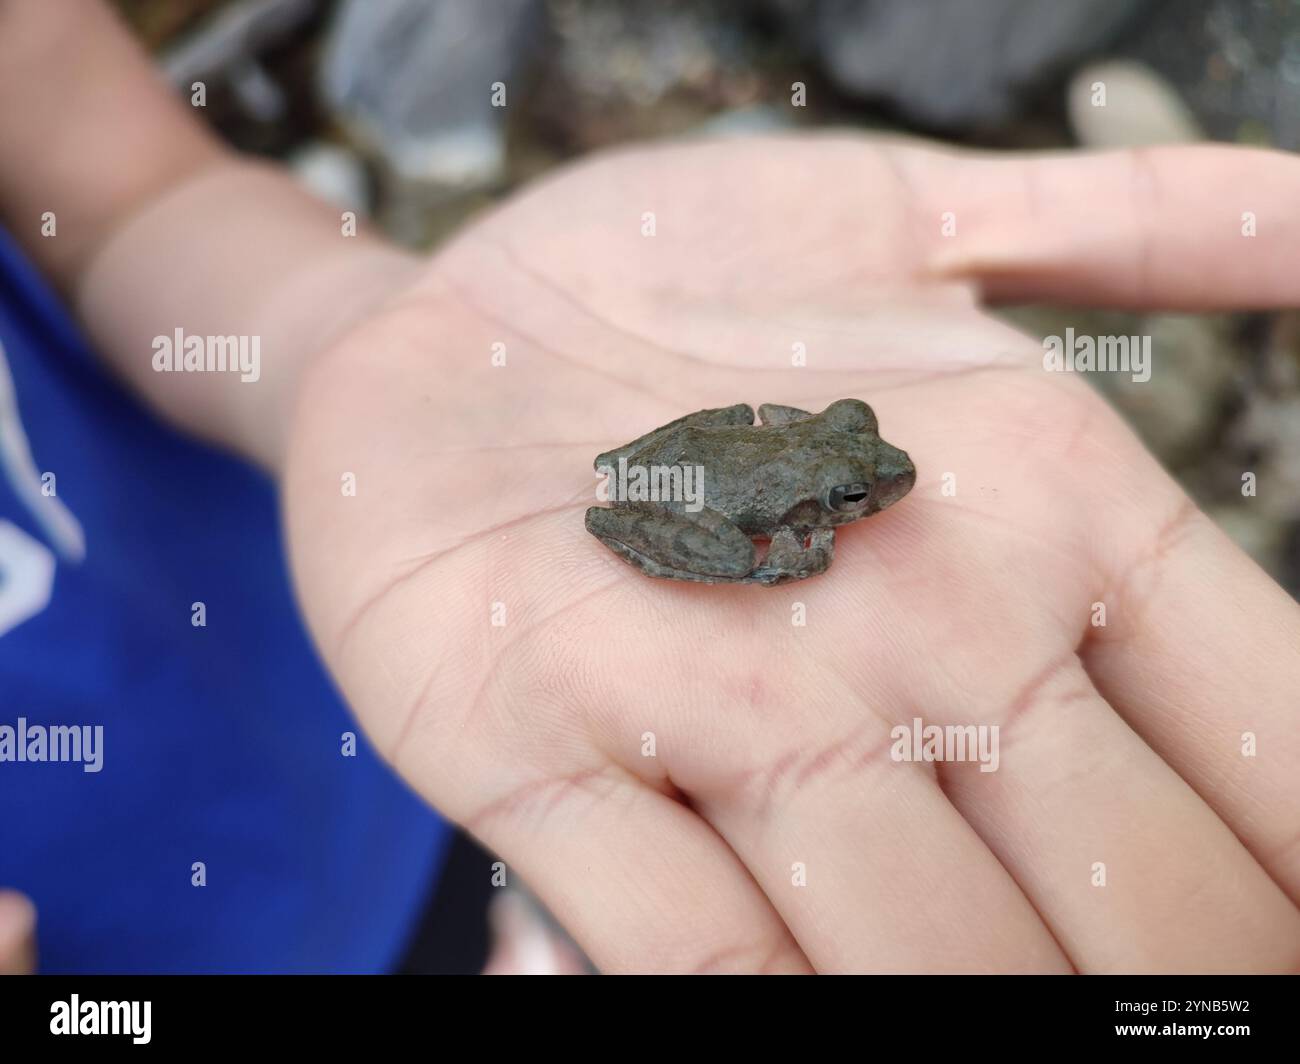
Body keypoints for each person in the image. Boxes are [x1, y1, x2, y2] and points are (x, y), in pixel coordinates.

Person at [2, 0, 1297, 973]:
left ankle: (499, 936)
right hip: (161, 939)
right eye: (857, 493)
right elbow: (726, 494)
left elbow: (126, 191)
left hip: (360, 717)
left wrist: (350, 334)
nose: (876, 491)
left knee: (465, 902)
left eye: (857, 473)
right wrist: (779, 549)